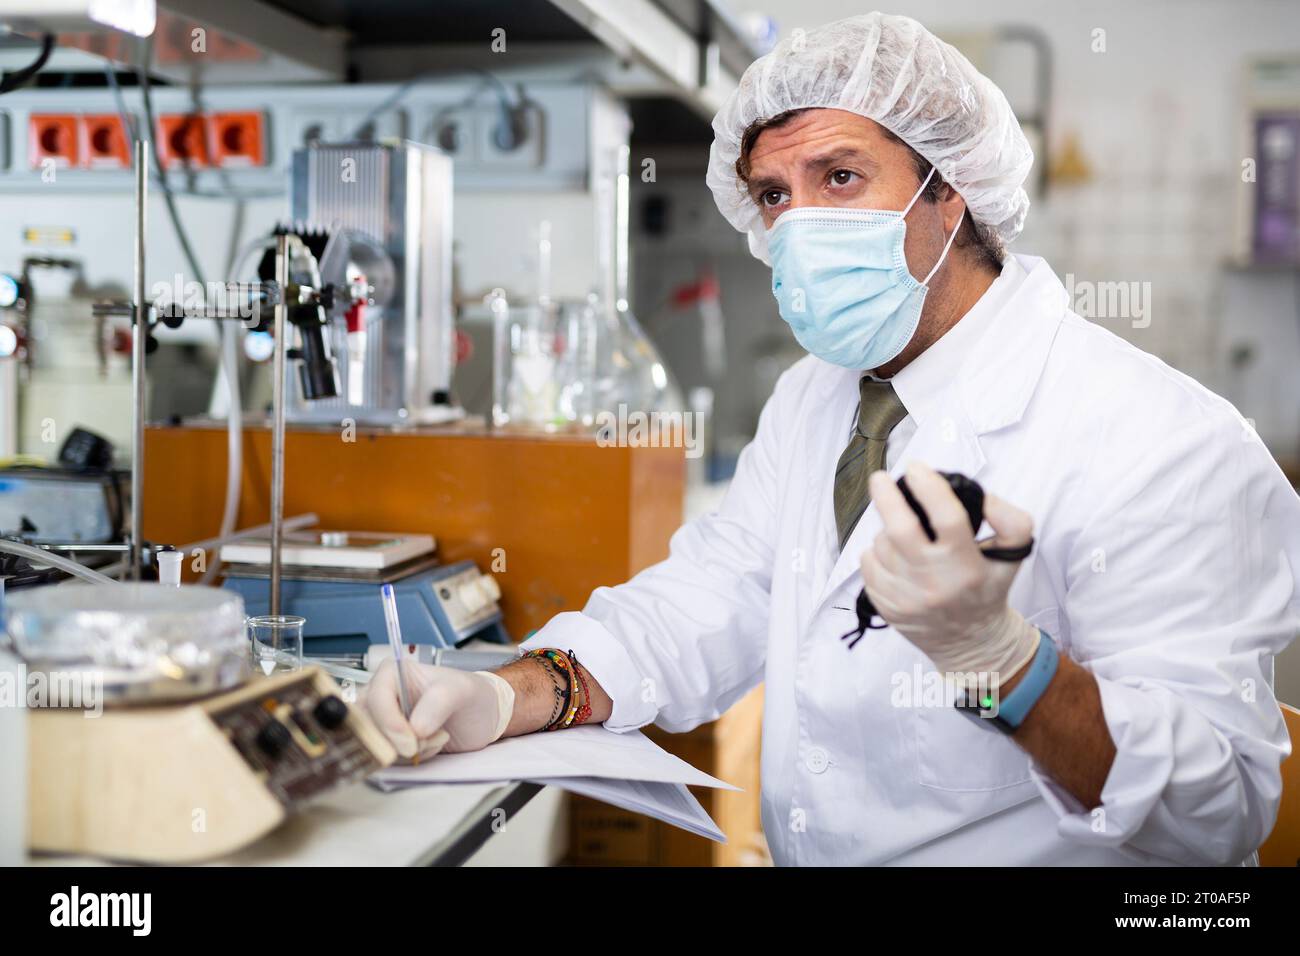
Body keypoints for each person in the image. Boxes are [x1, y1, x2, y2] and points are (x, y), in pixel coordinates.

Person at [364, 12, 1300, 865]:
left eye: (840, 177)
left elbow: (1214, 807)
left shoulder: (1163, 443)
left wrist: (1004, 665)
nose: (800, 226)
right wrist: (511, 694)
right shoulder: (816, 397)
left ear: (952, 193)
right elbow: (715, 595)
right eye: (772, 196)